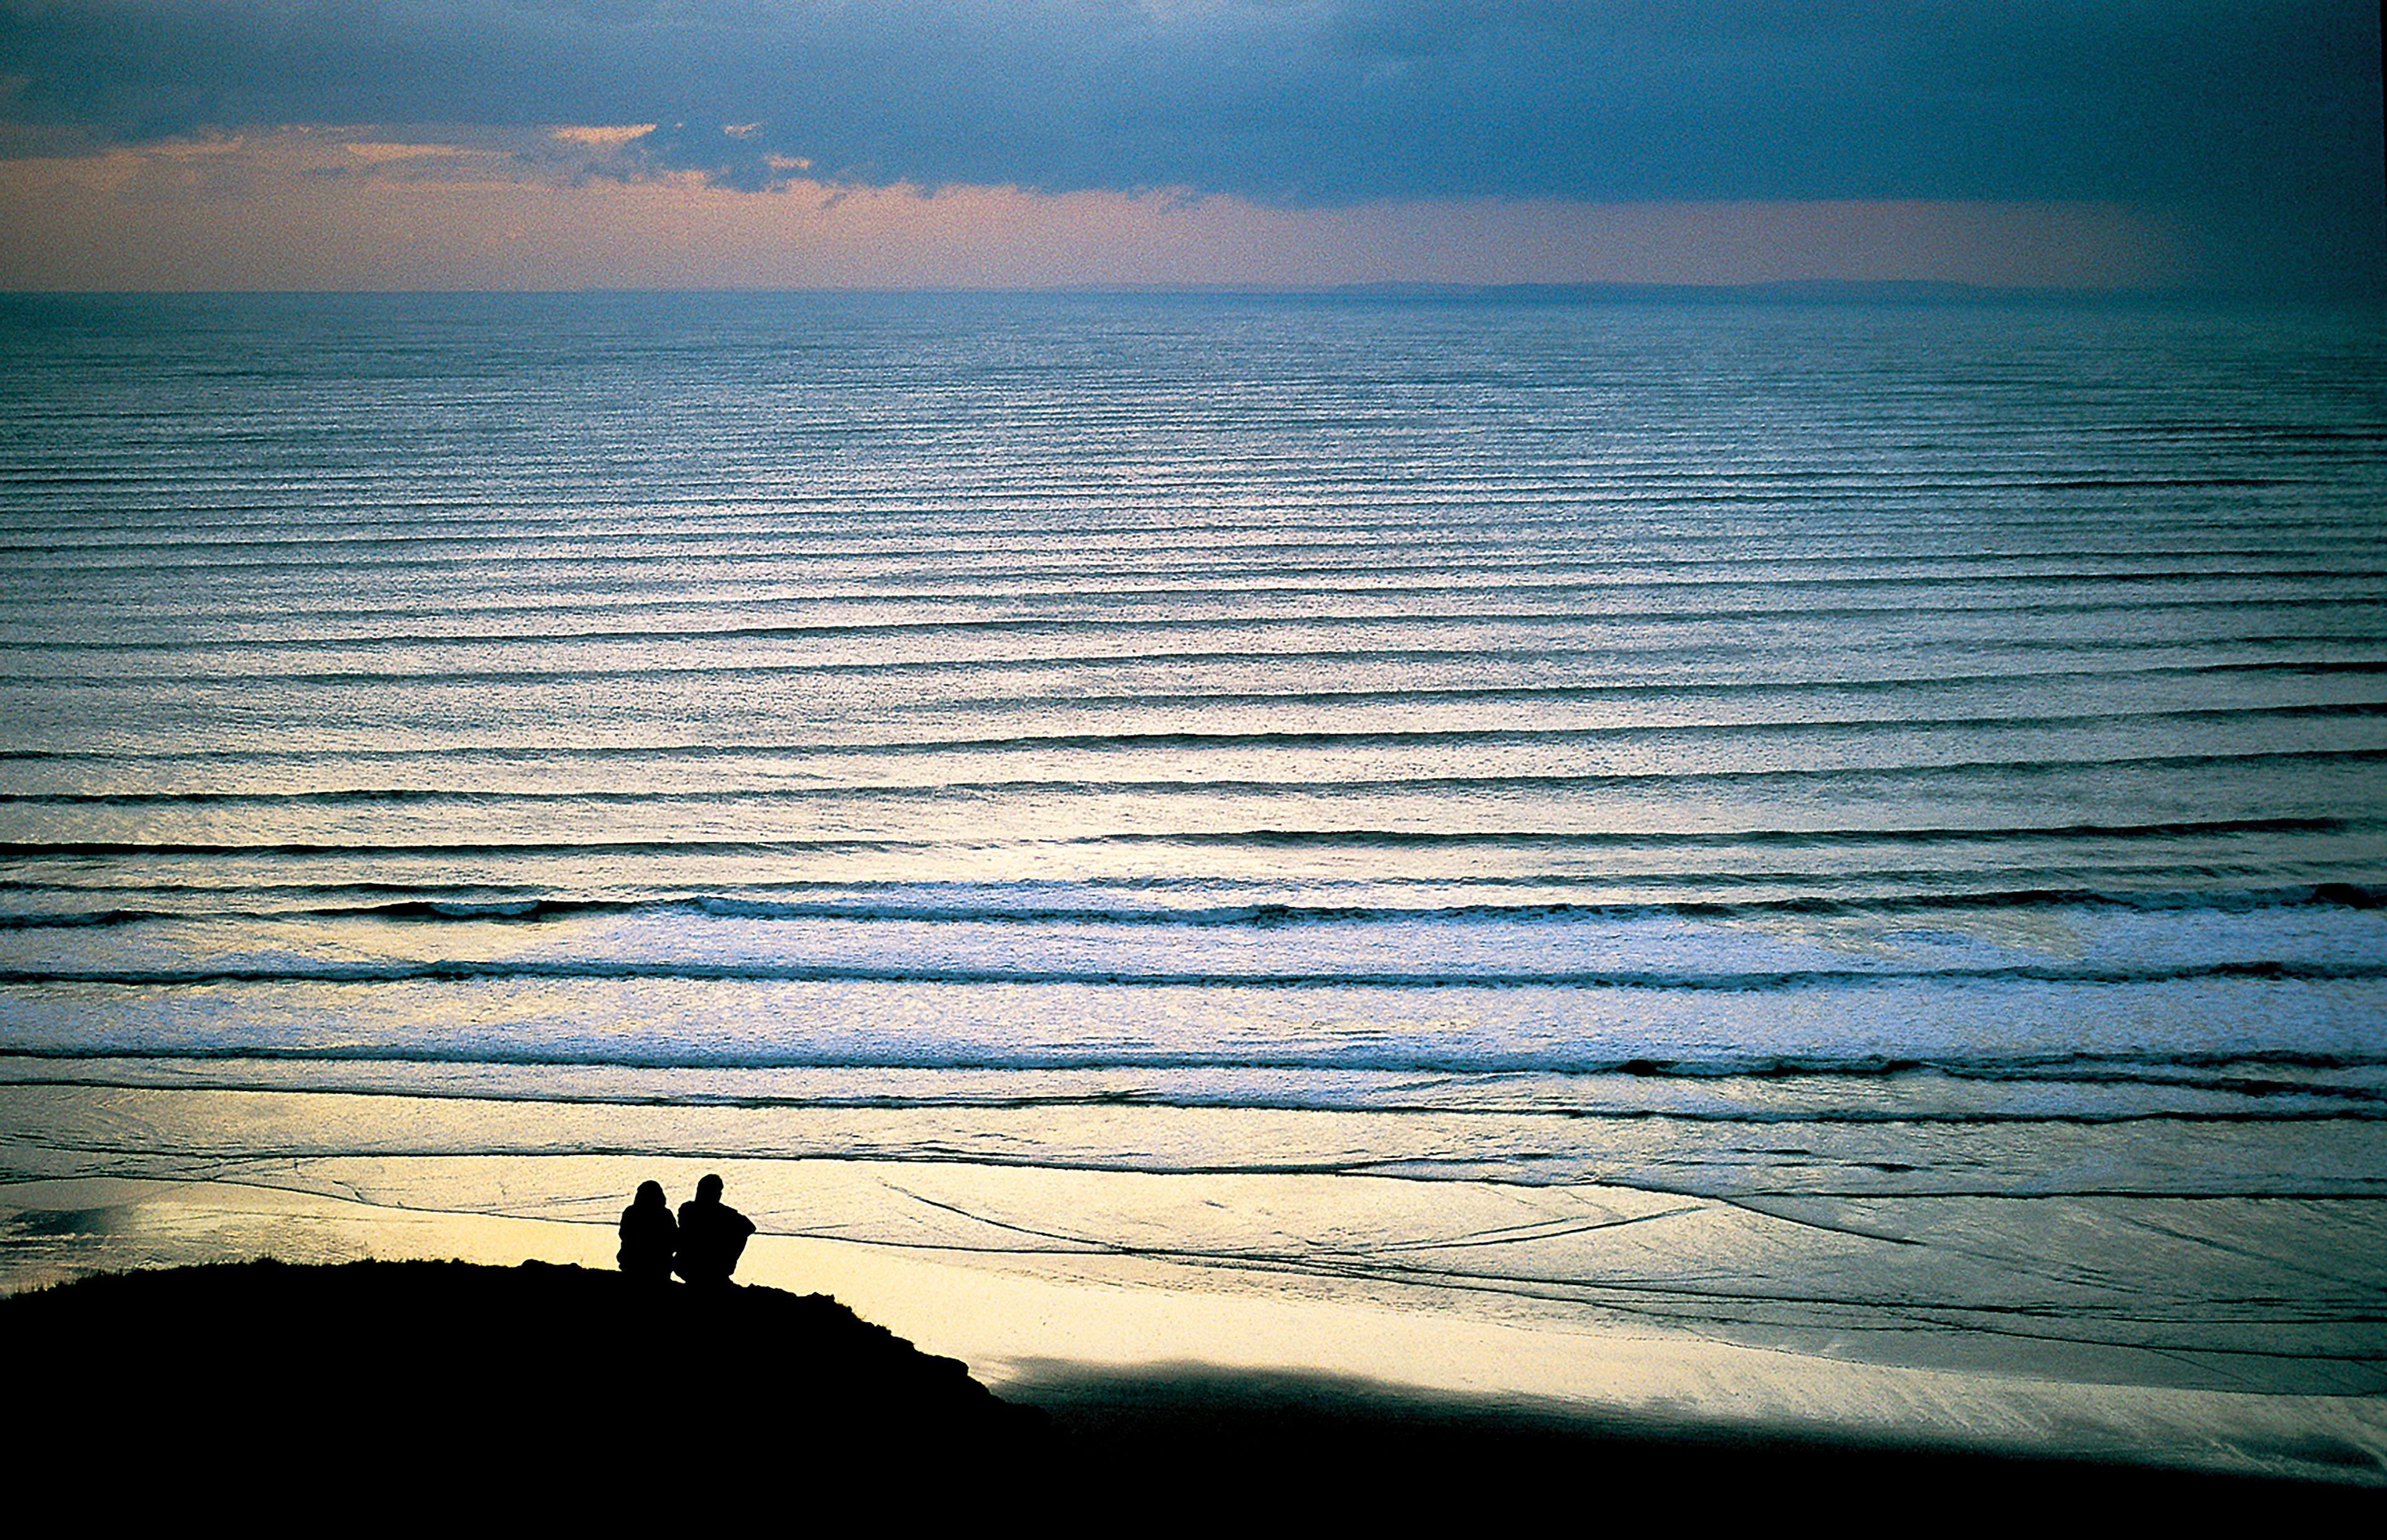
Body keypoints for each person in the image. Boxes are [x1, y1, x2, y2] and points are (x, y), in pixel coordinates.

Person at [673, 1173, 756, 1288]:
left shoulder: (688, 1209)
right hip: (700, 1265)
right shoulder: (723, 1213)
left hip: (686, 1265)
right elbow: (749, 1227)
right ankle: (721, 1270)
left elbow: (749, 1227)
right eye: (717, 1191)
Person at [617, 1180, 678, 1283]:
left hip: (633, 1262)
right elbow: (674, 1239)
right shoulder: (665, 1214)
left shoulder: (631, 1212)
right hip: (658, 1264)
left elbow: (624, 1234)